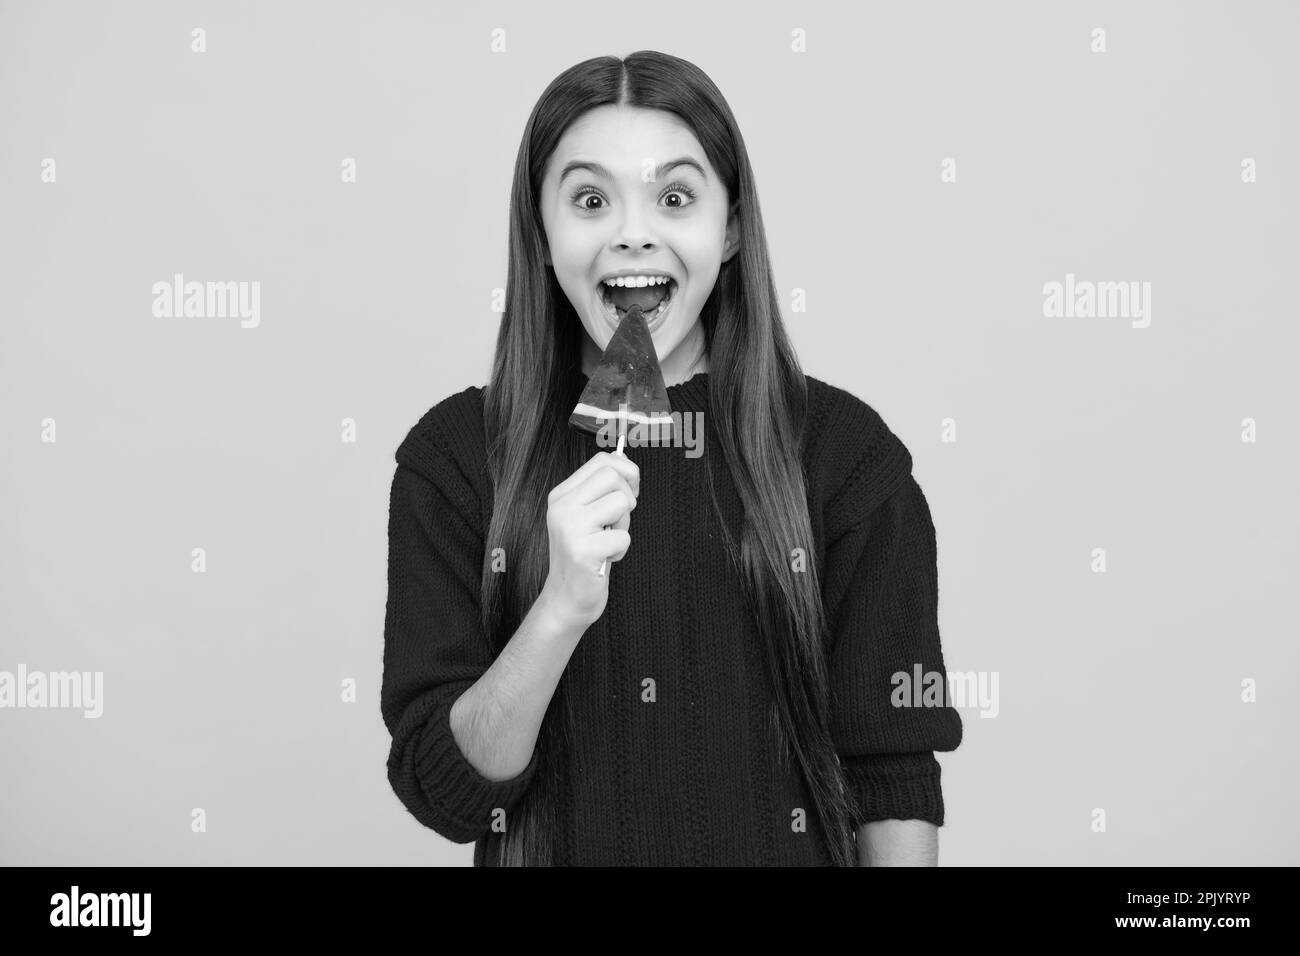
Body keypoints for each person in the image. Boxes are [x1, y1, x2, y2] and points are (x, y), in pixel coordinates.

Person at [381, 50, 962, 866]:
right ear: (541, 236)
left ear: (727, 229)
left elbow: (893, 773)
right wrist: (559, 608)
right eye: (589, 200)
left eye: (675, 197)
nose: (632, 234)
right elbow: (447, 796)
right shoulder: (454, 459)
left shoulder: (844, 456)